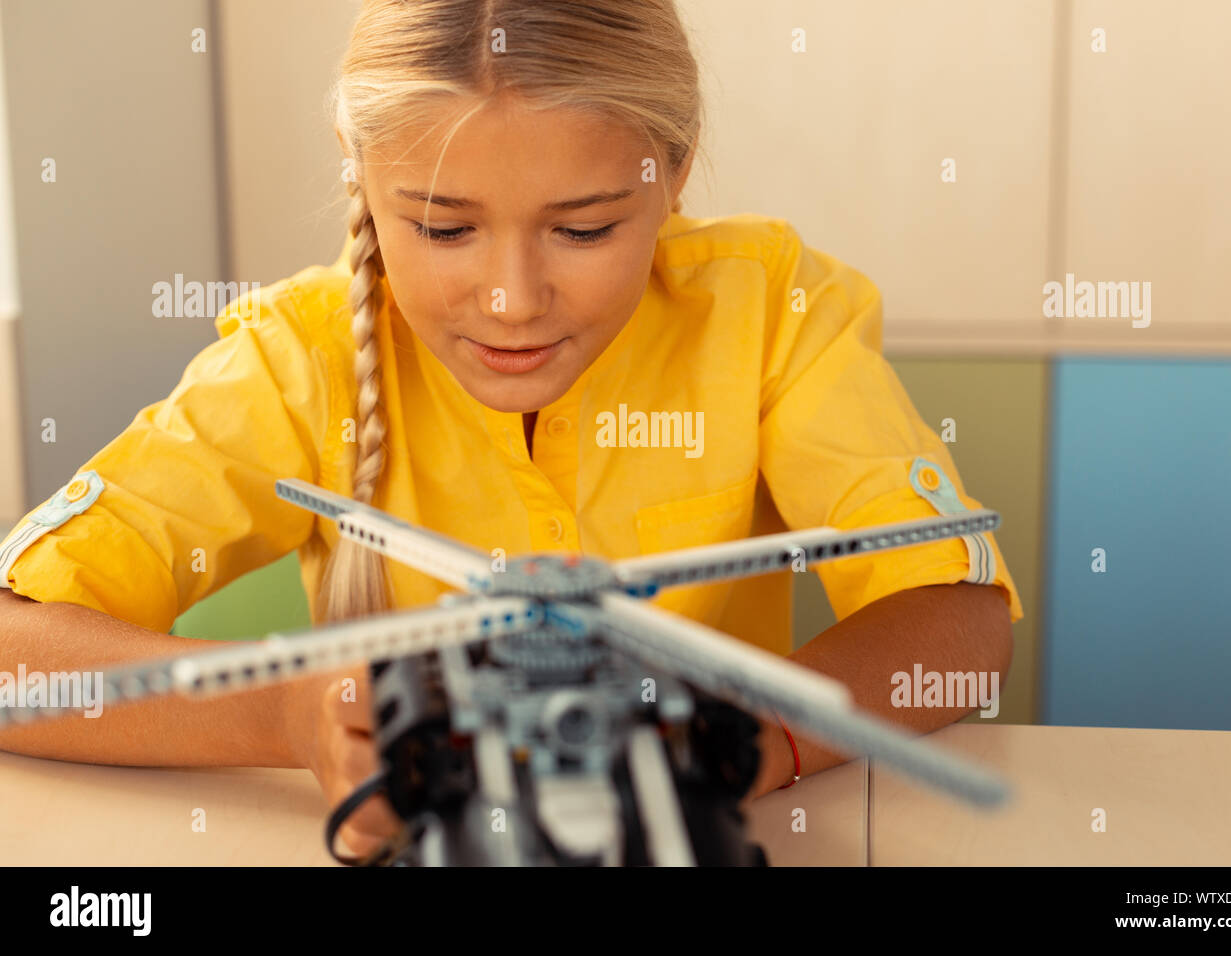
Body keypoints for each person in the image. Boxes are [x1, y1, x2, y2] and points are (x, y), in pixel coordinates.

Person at [0, 0, 1022, 859]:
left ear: (670, 171)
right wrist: (286, 712)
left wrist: (745, 739)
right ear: (362, 180)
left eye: (583, 228)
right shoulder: (300, 357)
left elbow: (962, 624)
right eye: (444, 228)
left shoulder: (770, 313)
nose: (512, 299)